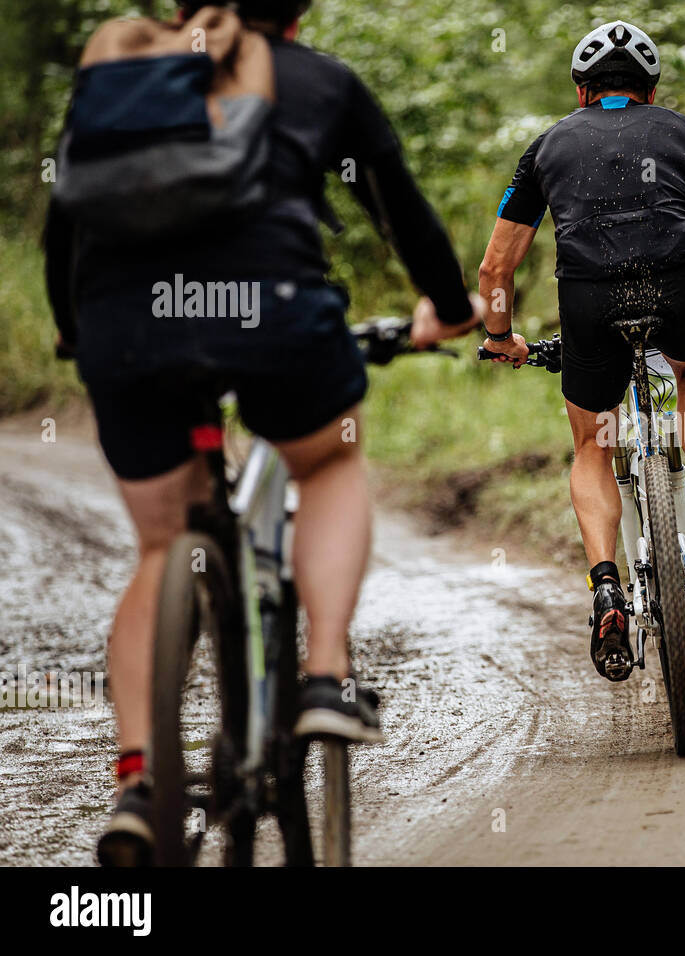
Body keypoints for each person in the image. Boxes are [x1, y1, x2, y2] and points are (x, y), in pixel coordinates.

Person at [42, 0, 483, 865]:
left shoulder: (120, 75)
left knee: (162, 546)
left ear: (183, 9)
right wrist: (454, 308)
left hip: (124, 327)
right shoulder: (320, 81)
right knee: (326, 462)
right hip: (272, 312)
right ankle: (324, 674)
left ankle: (138, 783)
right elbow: (404, 216)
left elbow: (66, 220)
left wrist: (74, 330)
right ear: (300, 7)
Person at [478, 20, 685, 683]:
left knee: (593, 442)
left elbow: (495, 271)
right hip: (674, 287)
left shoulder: (546, 146)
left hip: (588, 301)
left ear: (583, 93)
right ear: (649, 90)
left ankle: (607, 585)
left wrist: (502, 339)